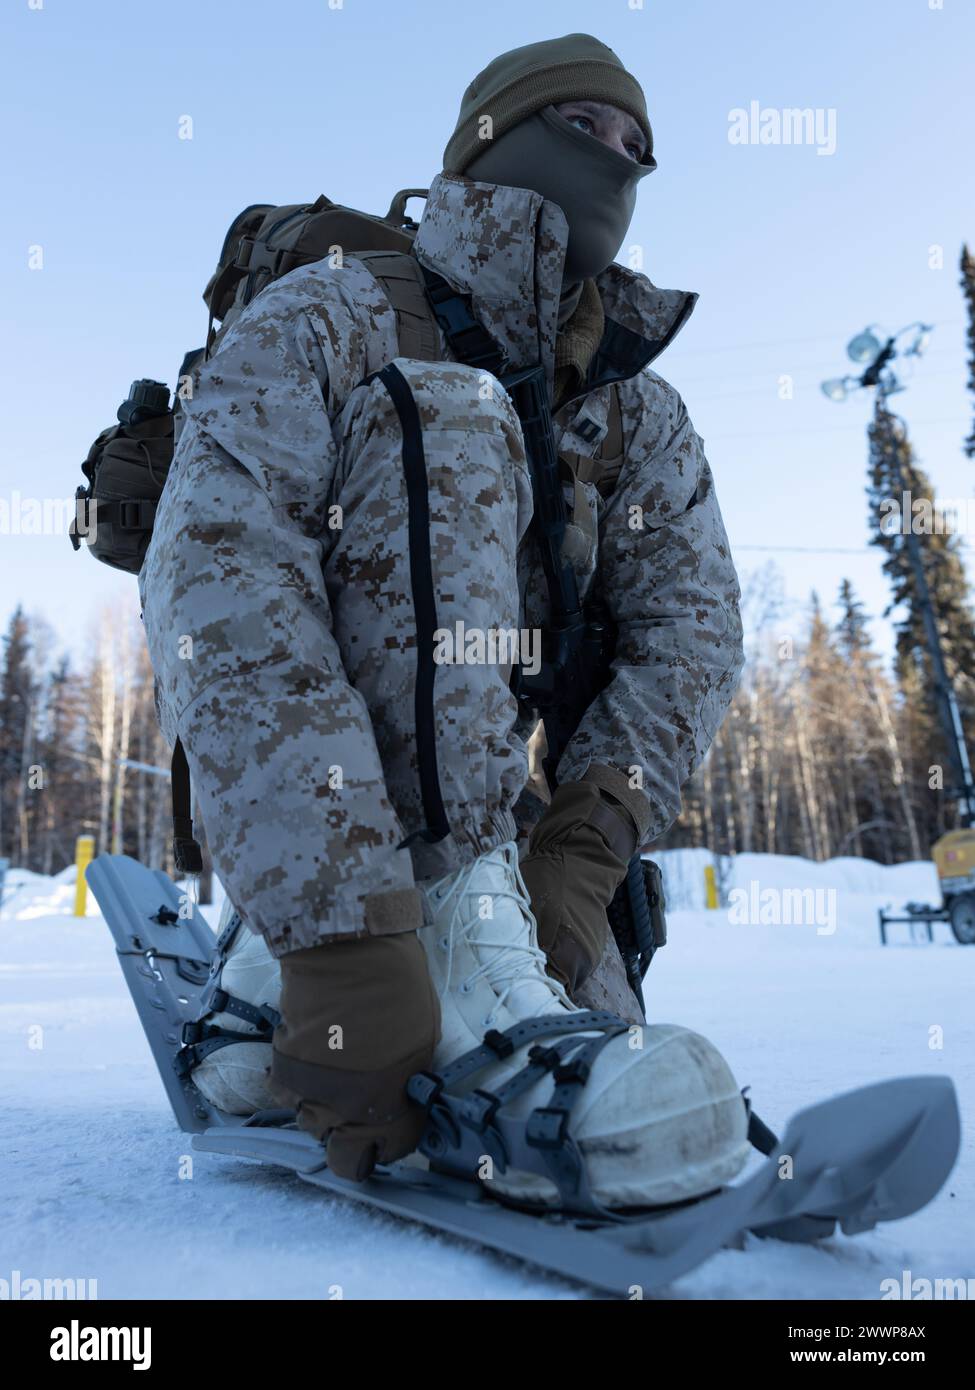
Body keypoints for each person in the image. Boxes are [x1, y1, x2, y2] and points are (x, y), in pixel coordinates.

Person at [141, 33, 745, 1191]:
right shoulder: (333, 316)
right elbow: (220, 579)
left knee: (604, 1052)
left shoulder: (636, 410)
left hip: (502, 810)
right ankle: (305, 958)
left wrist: (581, 848)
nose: (616, 160)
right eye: (584, 128)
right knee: (453, 418)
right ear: (494, 143)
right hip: (320, 793)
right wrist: (348, 941)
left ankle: (439, 963)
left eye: (638, 148)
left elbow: (693, 630)